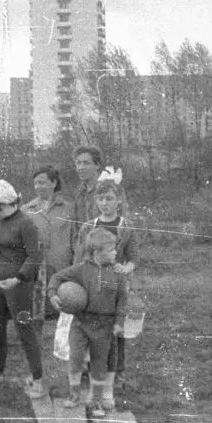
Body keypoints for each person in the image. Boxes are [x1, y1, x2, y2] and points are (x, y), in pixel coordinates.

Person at [74, 169, 139, 408]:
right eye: (101, 199)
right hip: (92, 288)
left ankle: (111, 385)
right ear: (96, 201)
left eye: (110, 198)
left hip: (115, 288)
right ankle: (92, 385)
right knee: (91, 335)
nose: (105, 203)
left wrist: (126, 268)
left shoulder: (126, 227)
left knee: (113, 338)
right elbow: (79, 259)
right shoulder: (88, 227)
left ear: (118, 200)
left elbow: (133, 258)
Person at [48, 227, 128, 418]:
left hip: (105, 326)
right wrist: (52, 294)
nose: (115, 252)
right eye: (110, 250)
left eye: (114, 249)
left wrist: (119, 322)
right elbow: (57, 277)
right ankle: (74, 395)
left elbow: (123, 300)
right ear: (96, 253)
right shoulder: (81, 269)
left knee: (100, 364)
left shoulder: (118, 273)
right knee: (75, 358)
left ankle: (96, 401)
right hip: (81, 323)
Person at [0, 179, 46, 398]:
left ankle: (37, 379)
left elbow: (35, 256)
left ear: (9, 203)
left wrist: (18, 278)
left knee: (24, 329)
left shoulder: (26, 223)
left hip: (18, 284)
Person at [20, 165, 76, 327]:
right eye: (36, 183)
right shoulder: (26, 210)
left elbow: (75, 237)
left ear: (53, 183)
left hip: (62, 263)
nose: (39, 187)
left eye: (43, 182)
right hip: (38, 266)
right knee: (39, 308)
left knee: (65, 306)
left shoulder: (68, 208)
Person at [72, 145, 127, 224]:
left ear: (97, 165)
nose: (81, 167)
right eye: (78, 163)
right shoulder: (78, 193)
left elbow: (122, 222)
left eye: (86, 163)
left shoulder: (111, 188)